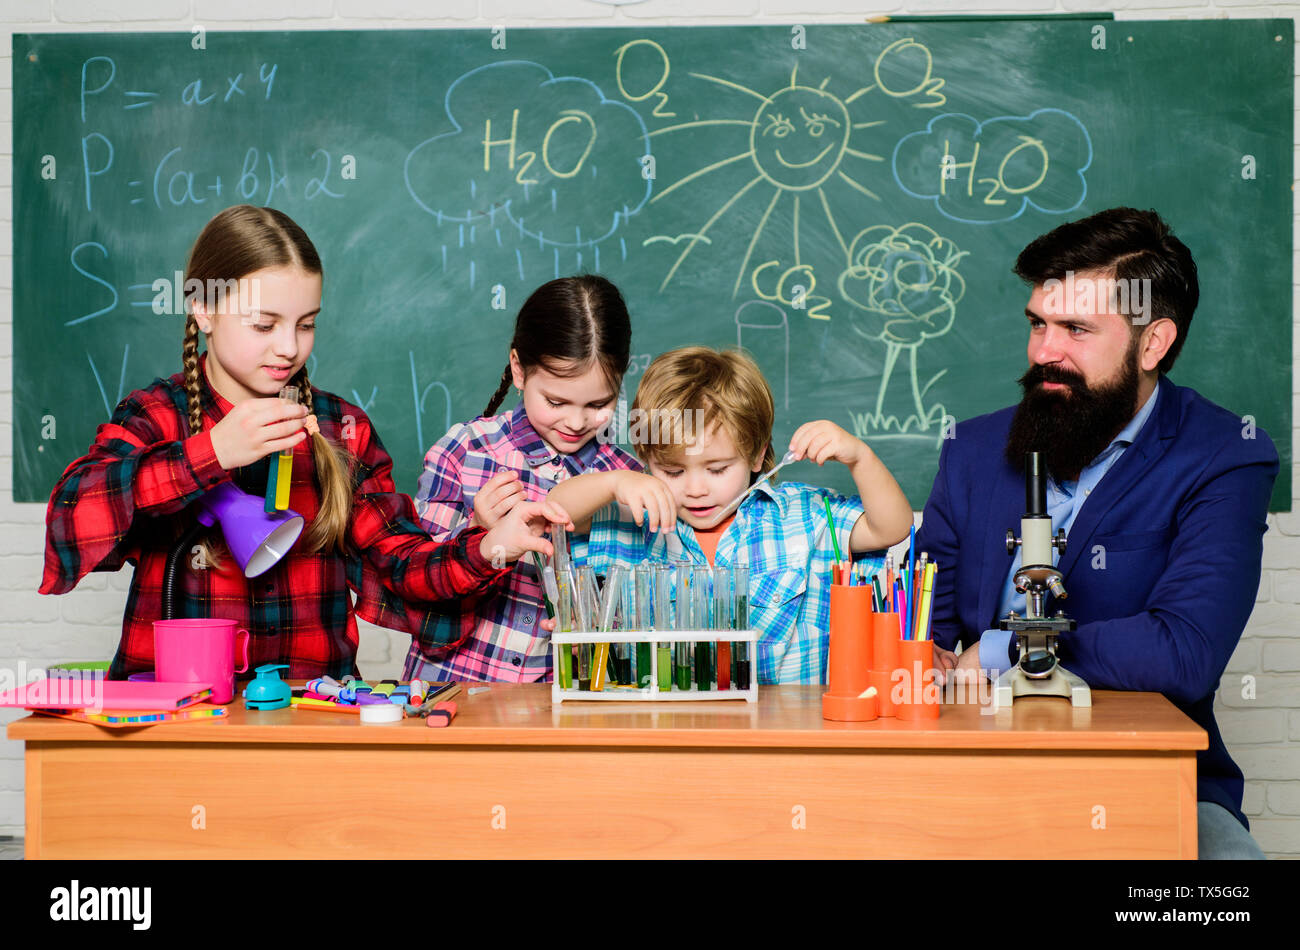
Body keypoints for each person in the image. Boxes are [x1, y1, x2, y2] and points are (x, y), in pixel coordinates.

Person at [39, 204, 569, 680]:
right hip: (176, 721)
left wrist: (491, 545)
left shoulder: (342, 428)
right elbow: (71, 518)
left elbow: (403, 566)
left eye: (306, 324)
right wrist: (211, 454)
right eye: (264, 325)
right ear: (203, 310)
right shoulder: (157, 414)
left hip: (311, 720)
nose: (289, 347)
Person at [915, 207, 1277, 859]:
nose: (1043, 352)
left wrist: (1001, 653)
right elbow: (924, 640)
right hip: (969, 769)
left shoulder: (1225, 455)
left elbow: (1183, 653)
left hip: (1149, 779)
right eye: (1037, 324)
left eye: (1076, 329)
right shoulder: (971, 450)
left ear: (1153, 343)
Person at [550, 346, 913, 684]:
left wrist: (860, 458)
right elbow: (555, 513)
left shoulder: (803, 516)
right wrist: (613, 483)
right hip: (663, 736)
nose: (695, 489)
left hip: (785, 738)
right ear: (647, 461)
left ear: (756, 457)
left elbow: (891, 527)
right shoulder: (631, 519)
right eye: (673, 472)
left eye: (718, 469)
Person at [404, 276, 642, 682]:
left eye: (599, 403)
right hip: (451, 692)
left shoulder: (627, 480)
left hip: (562, 707)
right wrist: (477, 533)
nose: (576, 421)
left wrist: (605, 626)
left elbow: (641, 600)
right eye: (555, 401)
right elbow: (413, 580)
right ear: (518, 369)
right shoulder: (466, 450)